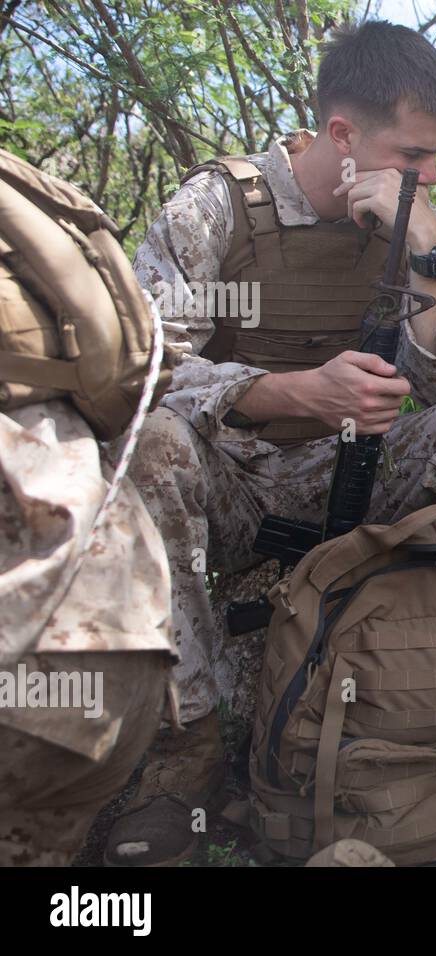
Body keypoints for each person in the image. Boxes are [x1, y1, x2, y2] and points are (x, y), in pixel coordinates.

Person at [112, 20, 436, 867]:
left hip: (363, 474)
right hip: (235, 479)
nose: (431, 175)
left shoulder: (424, 222)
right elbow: (141, 372)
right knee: (154, 444)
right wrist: (286, 391)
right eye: (415, 153)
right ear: (344, 137)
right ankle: (184, 749)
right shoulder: (215, 207)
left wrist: (427, 257)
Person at [0, 148, 177, 865]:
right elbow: (156, 377)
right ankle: (187, 758)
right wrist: (270, 393)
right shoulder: (29, 198)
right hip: (110, 639)